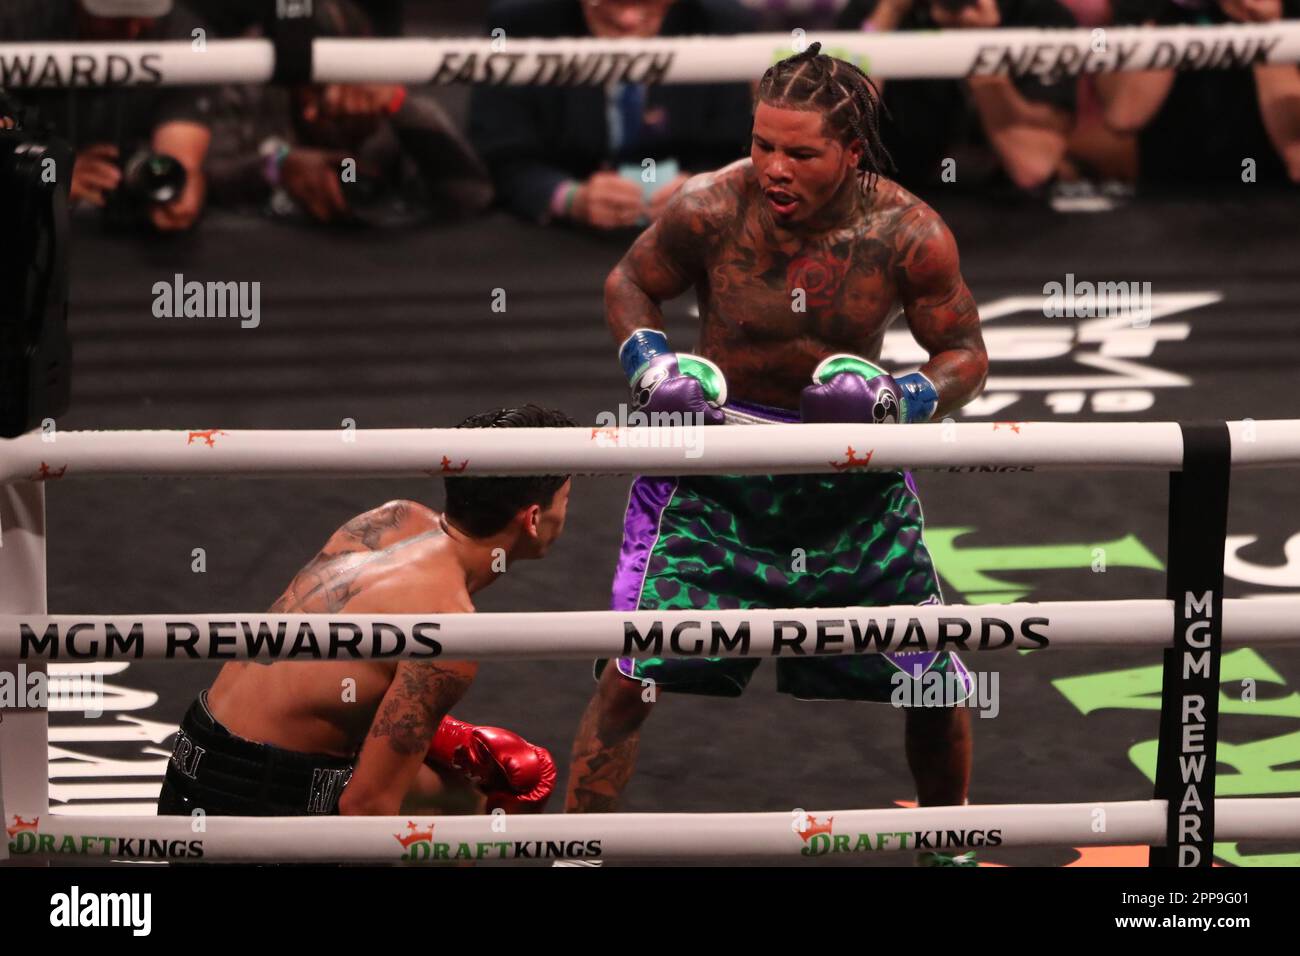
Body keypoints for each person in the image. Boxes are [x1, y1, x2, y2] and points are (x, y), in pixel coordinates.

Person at [563, 44, 990, 865]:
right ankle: (575, 850)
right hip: (713, 472)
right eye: (763, 144)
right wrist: (649, 364)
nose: (773, 168)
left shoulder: (908, 232)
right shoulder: (711, 208)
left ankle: (951, 847)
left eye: (800, 152)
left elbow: (966, 354)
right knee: (631, 673)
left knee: (930, 680)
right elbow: (629, 281)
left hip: (844, 476)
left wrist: (901, 399)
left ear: (851, 153)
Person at [157, 405, 575, 818]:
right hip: (251, 809)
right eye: (567, 498)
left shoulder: (392, 520)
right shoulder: (449, 628)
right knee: (480, 811)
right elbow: (366, 808)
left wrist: (447, 737)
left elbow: (342, 677)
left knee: (454, 791)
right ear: (533, 519)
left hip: (191, 756)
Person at [470, 0, 757, 228]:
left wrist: (705, 186)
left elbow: (736, 149)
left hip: (688, 244)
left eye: (650, 3)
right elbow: (501, 151)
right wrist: (569, 197)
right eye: (606, 2)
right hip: (557, 244)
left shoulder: (725, 23)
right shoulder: (520, 22)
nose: (628, 19)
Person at [7, 0, 214, 231]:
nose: (133, 29)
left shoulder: (185, 34)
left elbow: (180, 154)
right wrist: (40, 176)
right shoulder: (16, 26)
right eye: (117, 18)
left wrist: (176, 185)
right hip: (27, 226)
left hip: (137, 235)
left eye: (144, 15)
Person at [837, 0, 1078, 193]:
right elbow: (842, 134)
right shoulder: (873, 12)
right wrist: (884, 19)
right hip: (891, 197)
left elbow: (1031, 166)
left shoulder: (1039, 16)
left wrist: (979, 48)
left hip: (1006, 212)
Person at [1098, 0, 1300, 187]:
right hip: (1168, 197)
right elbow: (1124, 117)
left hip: (1267, 190)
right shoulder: (1147, 6)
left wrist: (1265, 30)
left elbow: (1295, 154)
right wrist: (1175, 13)